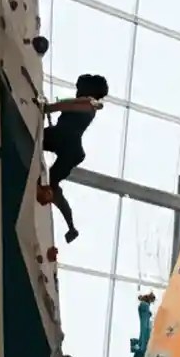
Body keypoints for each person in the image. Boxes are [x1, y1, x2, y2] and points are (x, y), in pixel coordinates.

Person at [42, 73, 109, 243]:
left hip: (64, 140)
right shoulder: (92, 105)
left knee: (52, 182)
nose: (77, 91)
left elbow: (69, 105)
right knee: (53, 184)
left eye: (80, 88)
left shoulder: (88, 103)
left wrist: (48, 108)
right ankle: (71, 227)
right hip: (69, 145)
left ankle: (71, 226)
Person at [129, 291, 156, 357]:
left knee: (144, 333)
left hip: (144, 343)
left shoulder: (144, 306)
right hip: (145, 342)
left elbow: (145, 328)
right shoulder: (144, 306)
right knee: (144, 332)